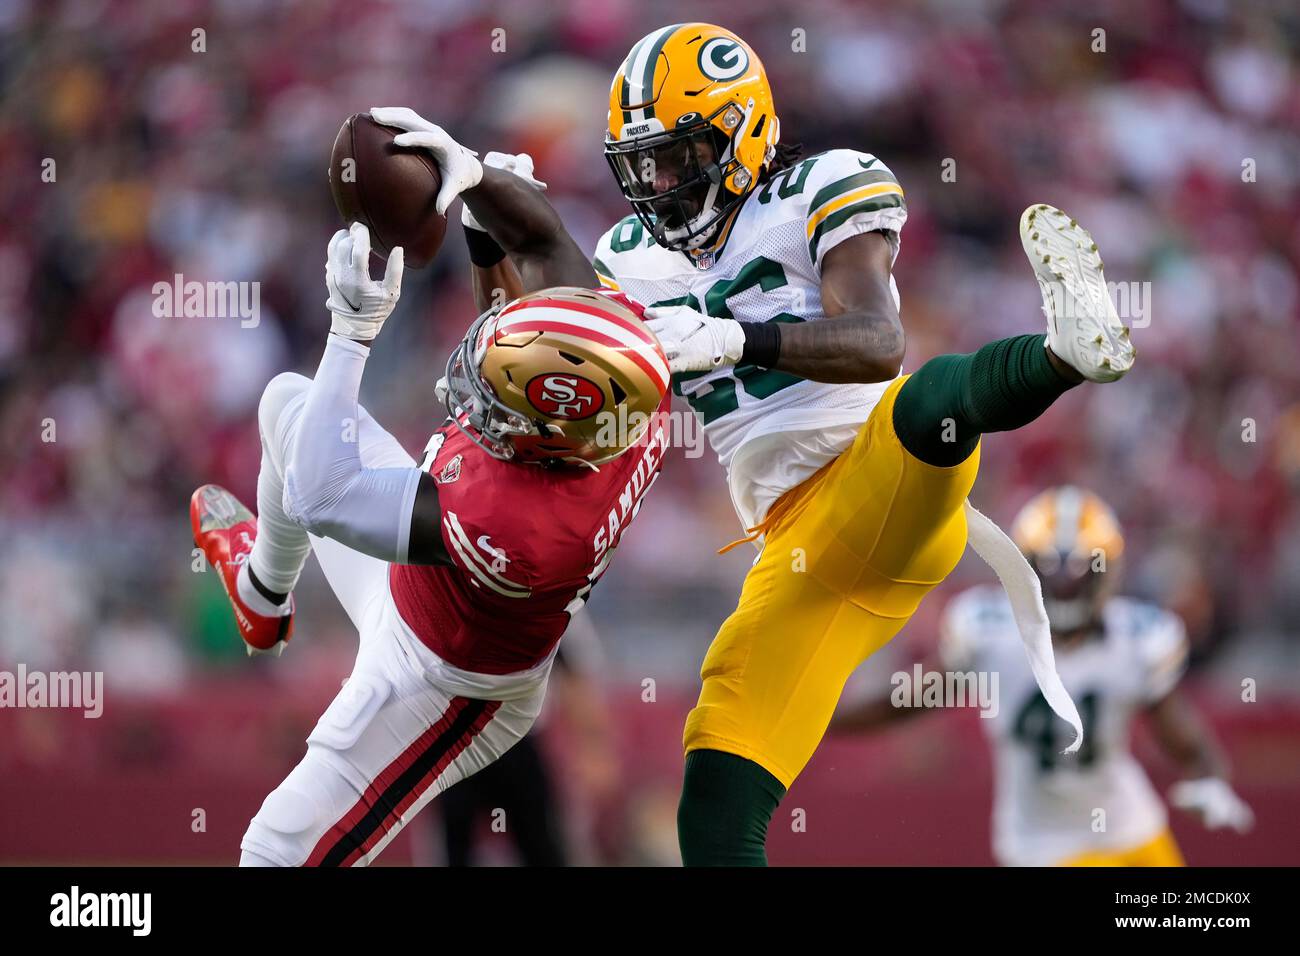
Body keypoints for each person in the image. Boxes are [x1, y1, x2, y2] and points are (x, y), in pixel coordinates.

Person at [468, 22, 1138, 865]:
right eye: (644, 165)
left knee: (926, 400)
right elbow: (553, 355)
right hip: (794, 549)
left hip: (883, 479)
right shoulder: (625, 258)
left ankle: (1060, 354)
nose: (660, 185)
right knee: (714, 793)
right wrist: (491, 231)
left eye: (678, 157)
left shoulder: (821, 188)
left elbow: (876, 339)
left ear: (743, 134)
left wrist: (736, 340)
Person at [190, 109, 670, 866]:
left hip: (445, 680)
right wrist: (478, 189)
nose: (478, 391)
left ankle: (264, 591)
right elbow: (544, 254)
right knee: (289, 403)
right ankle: (262, 594)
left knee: (275, 850)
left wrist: (353, 326)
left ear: (540, 441)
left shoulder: (515, 522)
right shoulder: (626, 380)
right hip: (422, 588)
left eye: (498, 399)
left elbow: (324, 496)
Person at [831, 486, 1255, 866]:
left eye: (1078, 570)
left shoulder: (1137, 639)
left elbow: (1182, 738)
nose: (1064, 583)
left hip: (1132, 825)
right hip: (1043, 846)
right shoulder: (989, 632)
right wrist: (819, 721)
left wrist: (1210, 778)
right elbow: (905, 702)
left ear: (1106, 572)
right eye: (1050, 568)